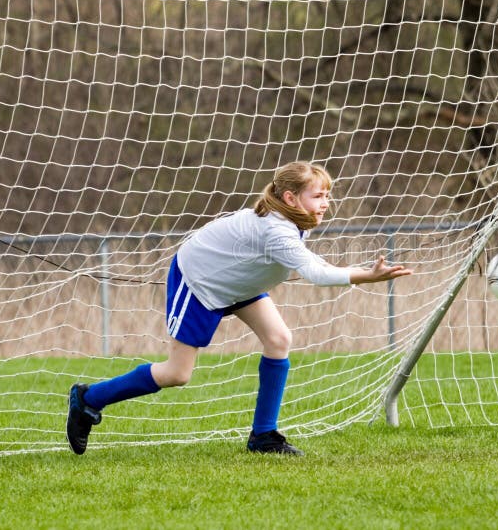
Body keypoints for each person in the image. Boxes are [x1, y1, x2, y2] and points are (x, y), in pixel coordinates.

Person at [66, 161, 413, 456]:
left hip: (236, 283)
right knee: (177, 374)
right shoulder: (276, 229)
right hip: (201, 283)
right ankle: (88, 398)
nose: (326, 203)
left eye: (327, 195)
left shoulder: (292, 219)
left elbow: (305, 262)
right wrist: (368, 275)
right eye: (318, 196)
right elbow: (317, 274)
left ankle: (264, 436)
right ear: (290, 198)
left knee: (278, 339)